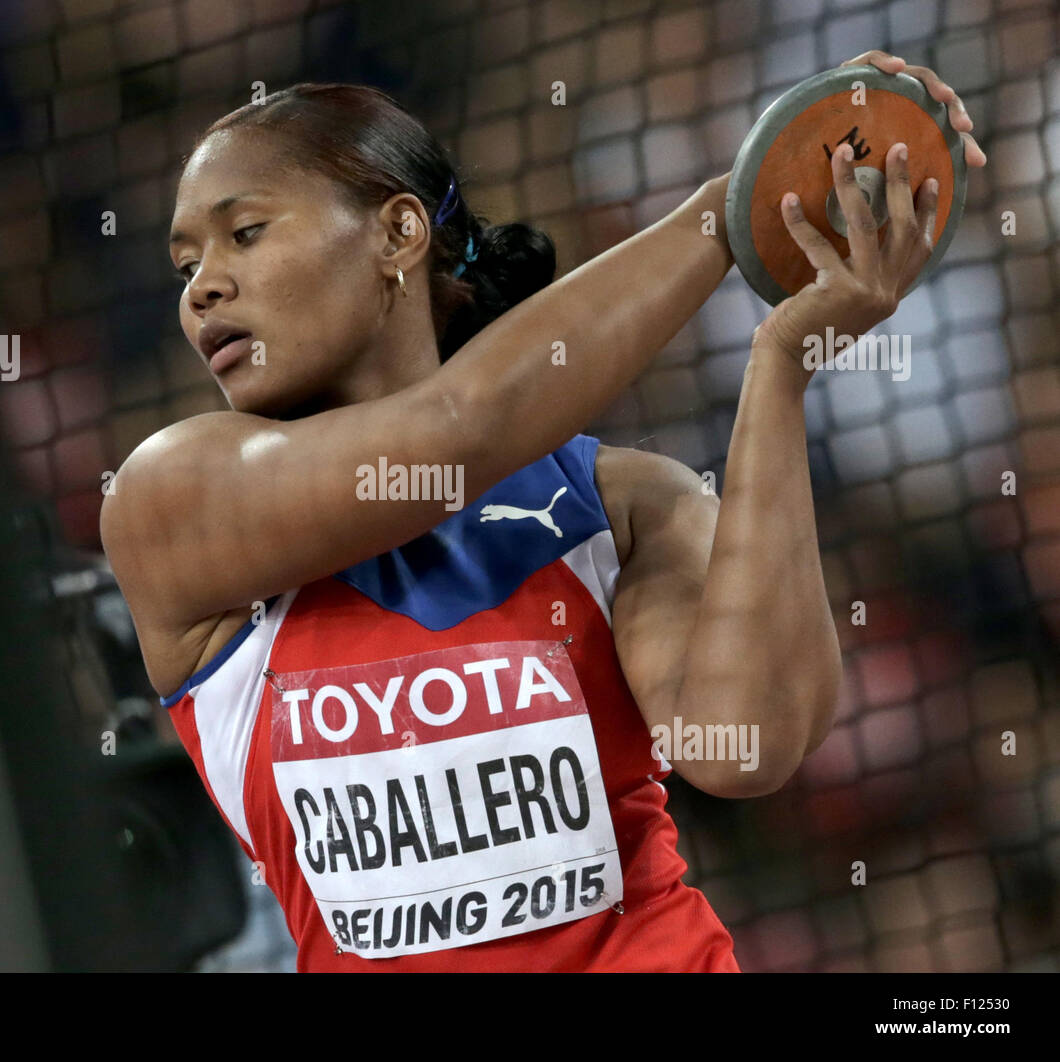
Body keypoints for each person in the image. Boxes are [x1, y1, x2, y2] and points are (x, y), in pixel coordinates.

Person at [100, 50, 984, 971]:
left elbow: (743, 748)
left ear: (398, 232)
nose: (201, 287)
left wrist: (781, 363)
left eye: (243, 234)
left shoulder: (624, 505)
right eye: (184, 263)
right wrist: (737, 209)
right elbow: (452, 435)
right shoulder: (172, 500)